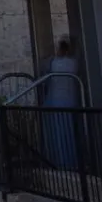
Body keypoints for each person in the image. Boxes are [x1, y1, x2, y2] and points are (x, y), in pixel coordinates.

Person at [42, 39, 80, 170]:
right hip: (70, 101)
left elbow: (45, 74)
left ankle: (60, 163)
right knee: (69, 134)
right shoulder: (73, 63)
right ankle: (71, 163)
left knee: (58, 134)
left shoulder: (54, 62)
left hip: (56, 102)